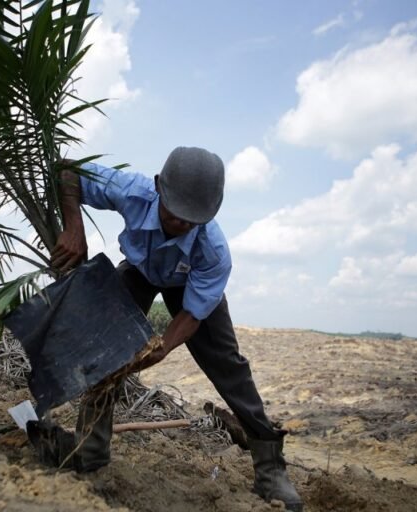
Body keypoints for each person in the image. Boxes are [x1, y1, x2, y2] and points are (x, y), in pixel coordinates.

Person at [46, 146, 303, 511]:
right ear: (158, 188)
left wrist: (160, 347)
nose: (180, 224)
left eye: (191, 220)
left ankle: (271, 468)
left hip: (188, 288)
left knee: (229, 367)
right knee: (102, 345)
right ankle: (89, 450)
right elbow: (67, 171)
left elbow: (193, 315)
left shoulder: (213, 252)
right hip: (139, 270)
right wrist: (74, 226)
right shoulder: (133, 191)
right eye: (174, 213)